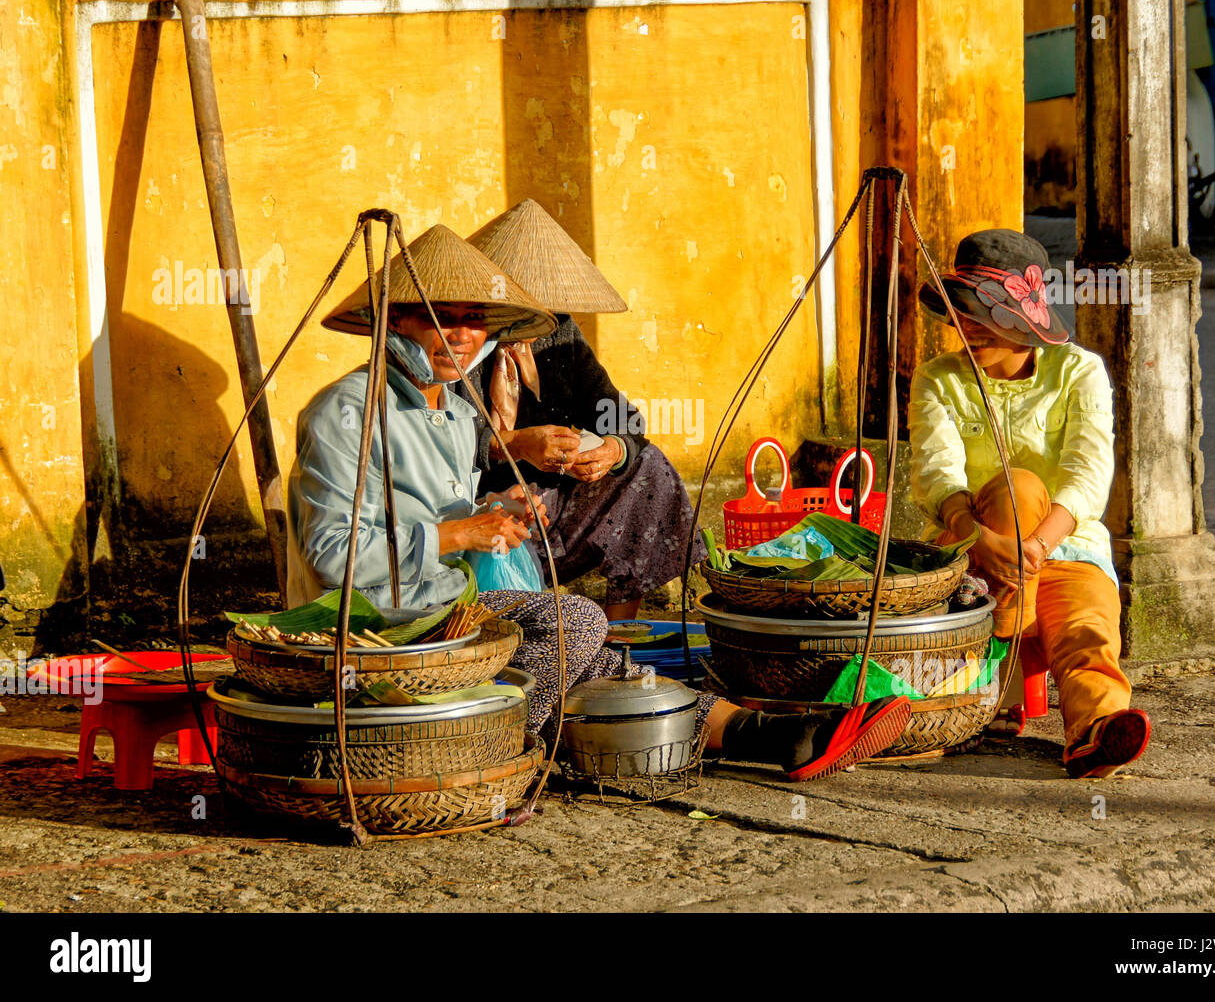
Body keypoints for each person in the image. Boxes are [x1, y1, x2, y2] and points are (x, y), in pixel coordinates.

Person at [287, 221, 910, 779]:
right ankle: (489, 739)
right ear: (396, 319)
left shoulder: (449, 406)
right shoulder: (347, 414)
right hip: (383, 624)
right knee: (578, 624)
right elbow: (332, 556)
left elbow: (607, 427)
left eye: (474, 318)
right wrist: (463, 534)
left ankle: (771, 736)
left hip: (453, 599)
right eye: (439, 318)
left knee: (608, 668)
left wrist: (498, 512)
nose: (461, 335)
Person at [908, 228, 1150, 779]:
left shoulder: (1079, 372)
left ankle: (1096, 729)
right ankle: (1001, 672)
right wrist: (977, 536)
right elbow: (934, 473)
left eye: (981, 312)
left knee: (1088, 633)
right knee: (1015, 489)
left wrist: (1034, 548)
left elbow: (1088, 473)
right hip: (970, 559)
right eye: (961, 311)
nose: (966, 324)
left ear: (1022, 317)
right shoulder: (937, 379)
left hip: (1063, 550)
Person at [464, 199, 702, 622]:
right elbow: (442, 444)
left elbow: (623, 418)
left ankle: (618, 634)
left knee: (646, 464)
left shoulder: (559, 334)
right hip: (480, 515)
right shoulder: (460, 345)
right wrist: (515, 445)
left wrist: (611, 450)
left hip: (551, 511)